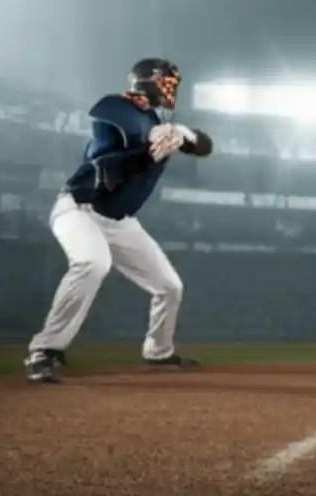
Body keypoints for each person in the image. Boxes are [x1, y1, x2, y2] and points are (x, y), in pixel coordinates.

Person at [24, 58, 213, 383]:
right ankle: (44, 349)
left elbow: (205, 148)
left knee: (169, 287)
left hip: (120, 221)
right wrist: (148, 154)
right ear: (147, 81)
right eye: (166, 81)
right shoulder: (114, 109)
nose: (171, 88)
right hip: (79, 207)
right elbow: (105, 171)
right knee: (93, 262)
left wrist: (186, 135)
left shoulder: (156, 121)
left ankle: (159, 351)